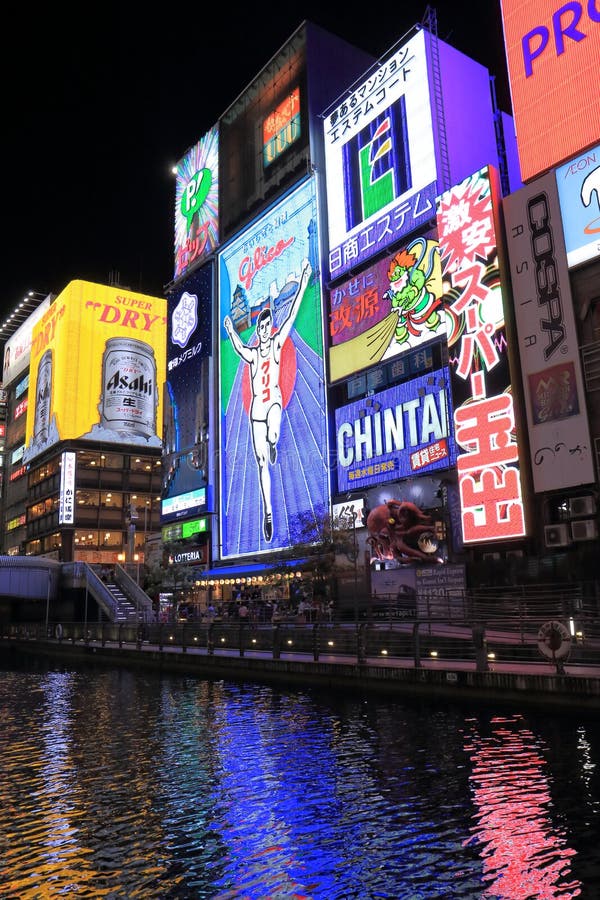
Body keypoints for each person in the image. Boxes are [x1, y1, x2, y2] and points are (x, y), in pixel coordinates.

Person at [224, 260, 312, 543]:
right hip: (255, 412)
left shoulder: (275, 344)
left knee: (273, 429)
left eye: (265, 325)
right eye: (260, 327)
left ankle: (274, 441)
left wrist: (305, 279)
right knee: (261, 462)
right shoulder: (252, 353)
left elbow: (292, 315)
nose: (263, 330)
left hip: (273, 401)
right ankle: (268, 512)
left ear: (268, 327)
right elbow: (239, 348)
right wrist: (230, 331)